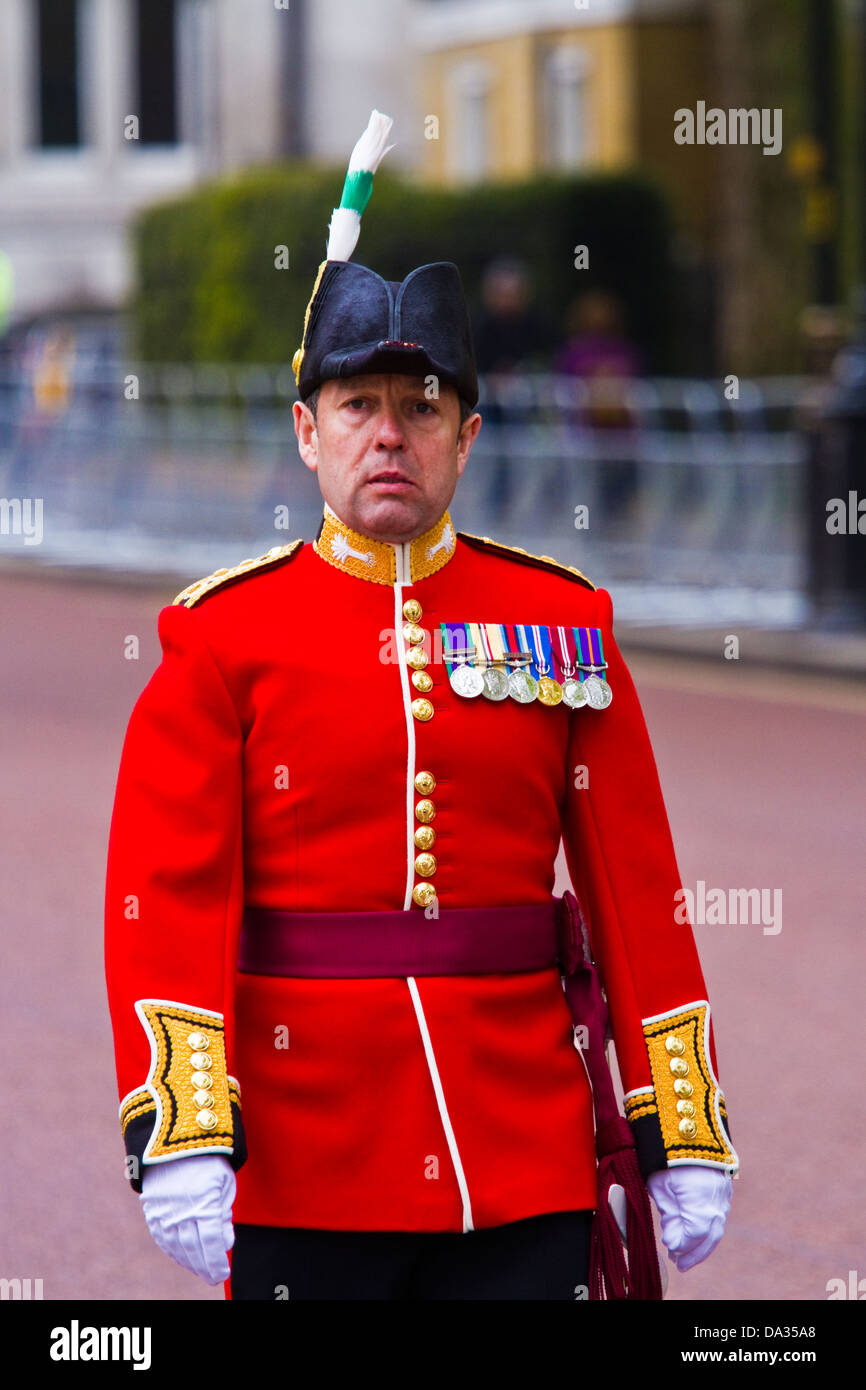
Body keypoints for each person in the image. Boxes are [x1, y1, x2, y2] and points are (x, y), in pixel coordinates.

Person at [104, 113, 737, 1302]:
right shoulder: (220, 637)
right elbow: (166, 896)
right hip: (305, 1156)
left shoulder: (562, 619)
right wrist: (184, 1128)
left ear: (466, 435)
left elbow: (636, 891)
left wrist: (679, 1122)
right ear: (307, 434)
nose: (388, 432)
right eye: (355, 406)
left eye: (421, 405)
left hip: (522, 1153)